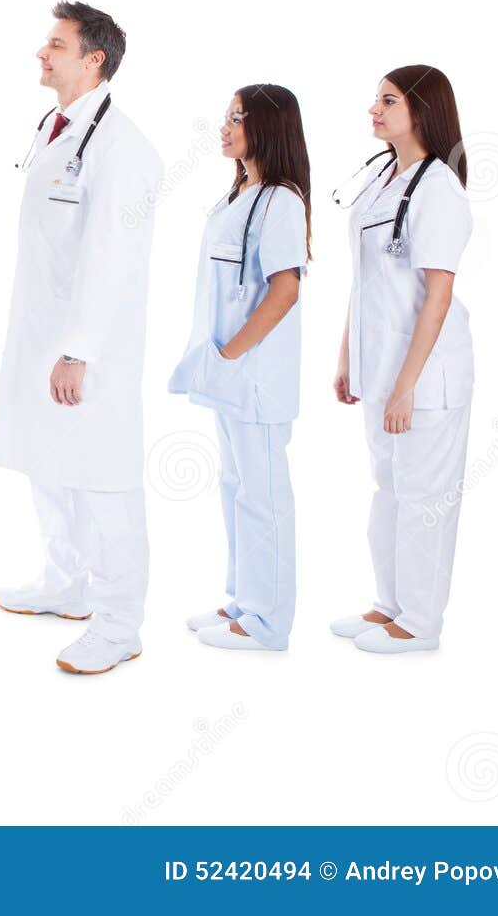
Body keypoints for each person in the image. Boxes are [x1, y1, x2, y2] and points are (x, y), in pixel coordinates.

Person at [0, 1, 161, 675]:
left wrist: (80, 347)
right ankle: (66, 582)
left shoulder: (124, 149)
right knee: (50, 463)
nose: (41, 53)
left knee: (103, 476)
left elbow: (112, 258)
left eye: (55, 44)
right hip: (42, 336)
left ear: (94, 59)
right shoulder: (59, 129)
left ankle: (120, 622)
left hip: (89, 351)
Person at [331, 65, 474, 654]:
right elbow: (366, 280)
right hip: (381, 366)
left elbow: (436, 293)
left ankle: (420, 622)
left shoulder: (439, 187)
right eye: (376, 100)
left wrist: (406, 384)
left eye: (387, 101)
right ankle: (389, 605)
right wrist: (347, 357)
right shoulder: (385, 178)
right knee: (387, 487)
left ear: (421, 110)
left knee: (423, 496)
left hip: (425, 376)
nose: (373, 109)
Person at [168, 85, 311, 652]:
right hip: (226, 374)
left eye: (237, 119)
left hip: (253, 375)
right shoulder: (239, 195)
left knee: (263, 496)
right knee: (235, 489)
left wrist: (230, 356)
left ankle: (268, 622)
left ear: (269, 127)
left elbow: (286, 289)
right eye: (225, 118)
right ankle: (243, 600)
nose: (224, 129)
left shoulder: (282, 200)